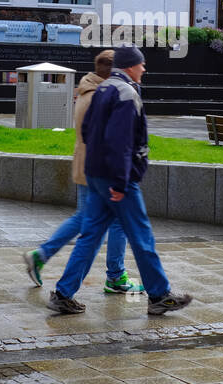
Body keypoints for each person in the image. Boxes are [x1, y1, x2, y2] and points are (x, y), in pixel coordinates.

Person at [48, 45, 191, 316]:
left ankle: (63, 294)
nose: (144, 69)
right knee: (141, 236)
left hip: (97, 175)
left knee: (89, 237)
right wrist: (120, 181)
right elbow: (121, 141)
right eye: (141, 64)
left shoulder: (102, 88)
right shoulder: (127, 92)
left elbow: (88, 131)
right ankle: (160, 294)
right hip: (118, 180)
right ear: (129, 66)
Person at [24, 50, 142, 294]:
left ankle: (43, 255)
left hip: (84, 165)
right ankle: (115, 276)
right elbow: (113, 139)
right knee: (115, 222)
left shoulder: (87, 91)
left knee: (84, 218)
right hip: (100, 169)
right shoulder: (103, 96)